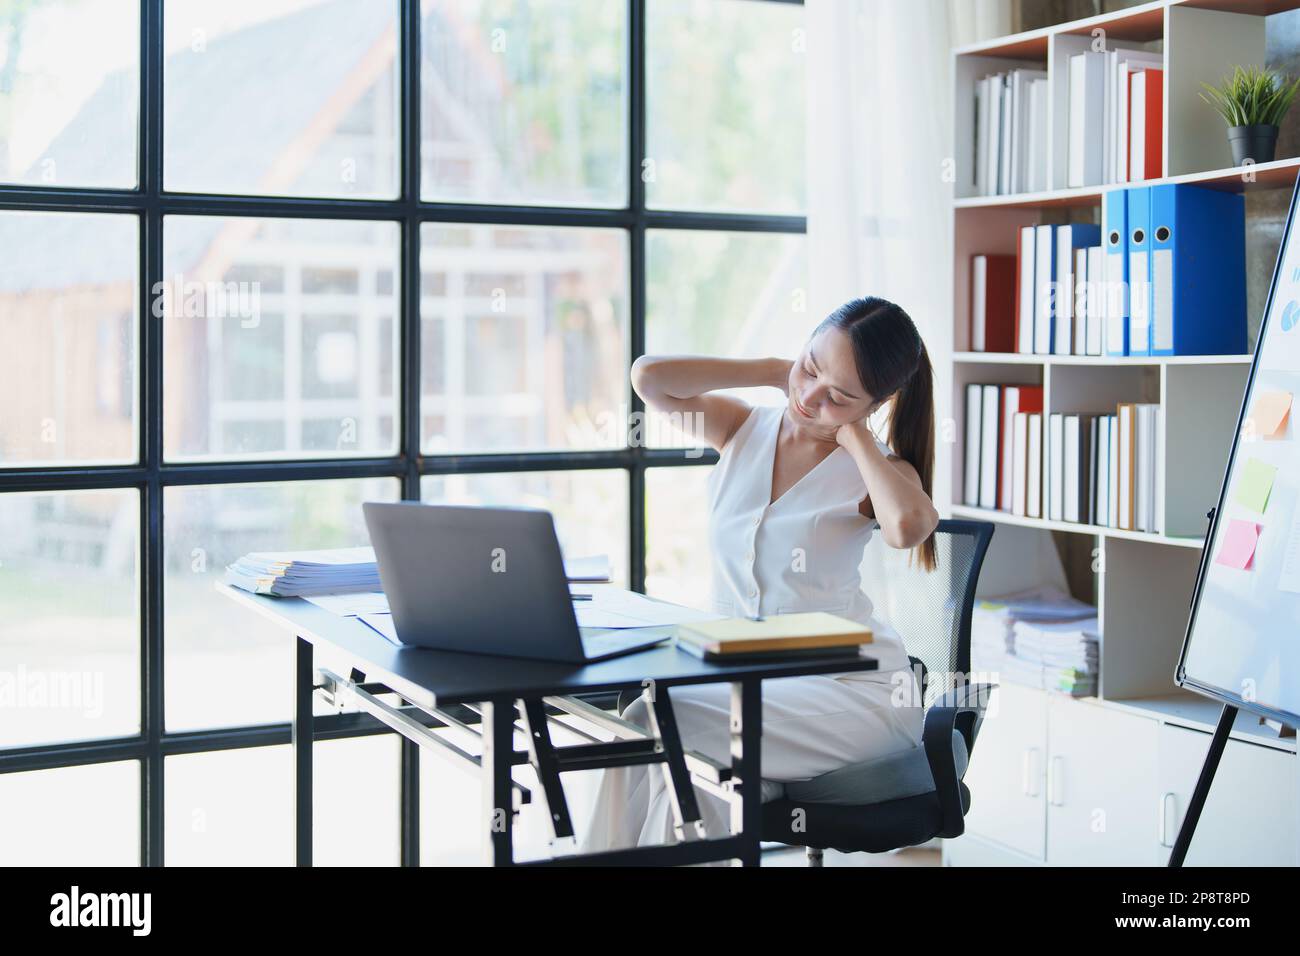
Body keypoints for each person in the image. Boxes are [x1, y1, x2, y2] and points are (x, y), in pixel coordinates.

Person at [581, 296, 941, 853]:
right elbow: (649, 378)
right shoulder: (742, 427)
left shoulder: (879, 470)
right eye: (811, 367)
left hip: (853, 697)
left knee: (672, 722)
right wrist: (775, 371)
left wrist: (857, 433)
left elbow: (909, 525)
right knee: (677, 756)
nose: (809, 397)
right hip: (753, 689)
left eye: (838, 396)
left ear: (876, 403)